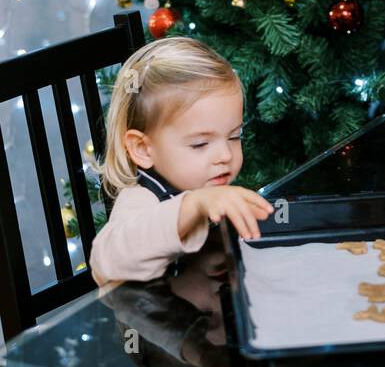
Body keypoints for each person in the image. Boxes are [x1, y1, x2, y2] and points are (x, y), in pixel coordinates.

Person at [90, 36, 272, 286]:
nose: (225, 156)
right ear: (143, 149)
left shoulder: (208, 181)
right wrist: (194, 205)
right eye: (200, 144)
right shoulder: (141, 198)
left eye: (234, 136)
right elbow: (106, 261)